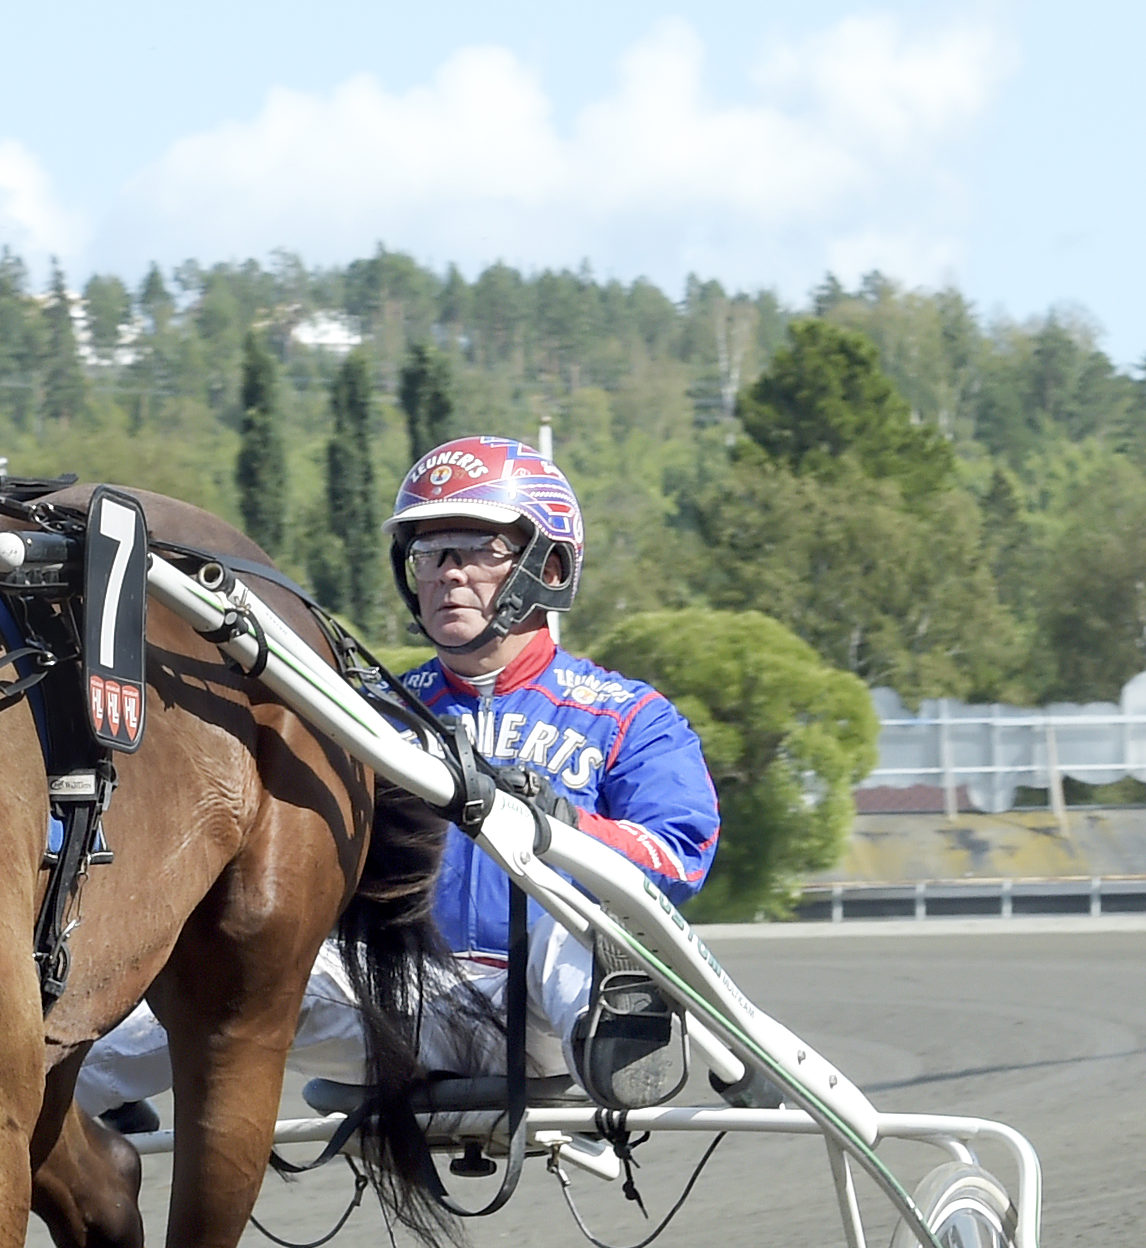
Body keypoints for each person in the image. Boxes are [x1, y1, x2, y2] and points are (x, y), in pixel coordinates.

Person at [78, 433, 721, 1125]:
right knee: (235, 971)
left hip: (549, 1008)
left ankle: (625, 1045)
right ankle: (76, 1088)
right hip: (399, 998)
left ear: (550, 564)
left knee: (573, 929)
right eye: (427, 553)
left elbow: (678, 856)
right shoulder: (368, 712)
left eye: (475, 550)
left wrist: (563, 829)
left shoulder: (631, 717)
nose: (446, 573)